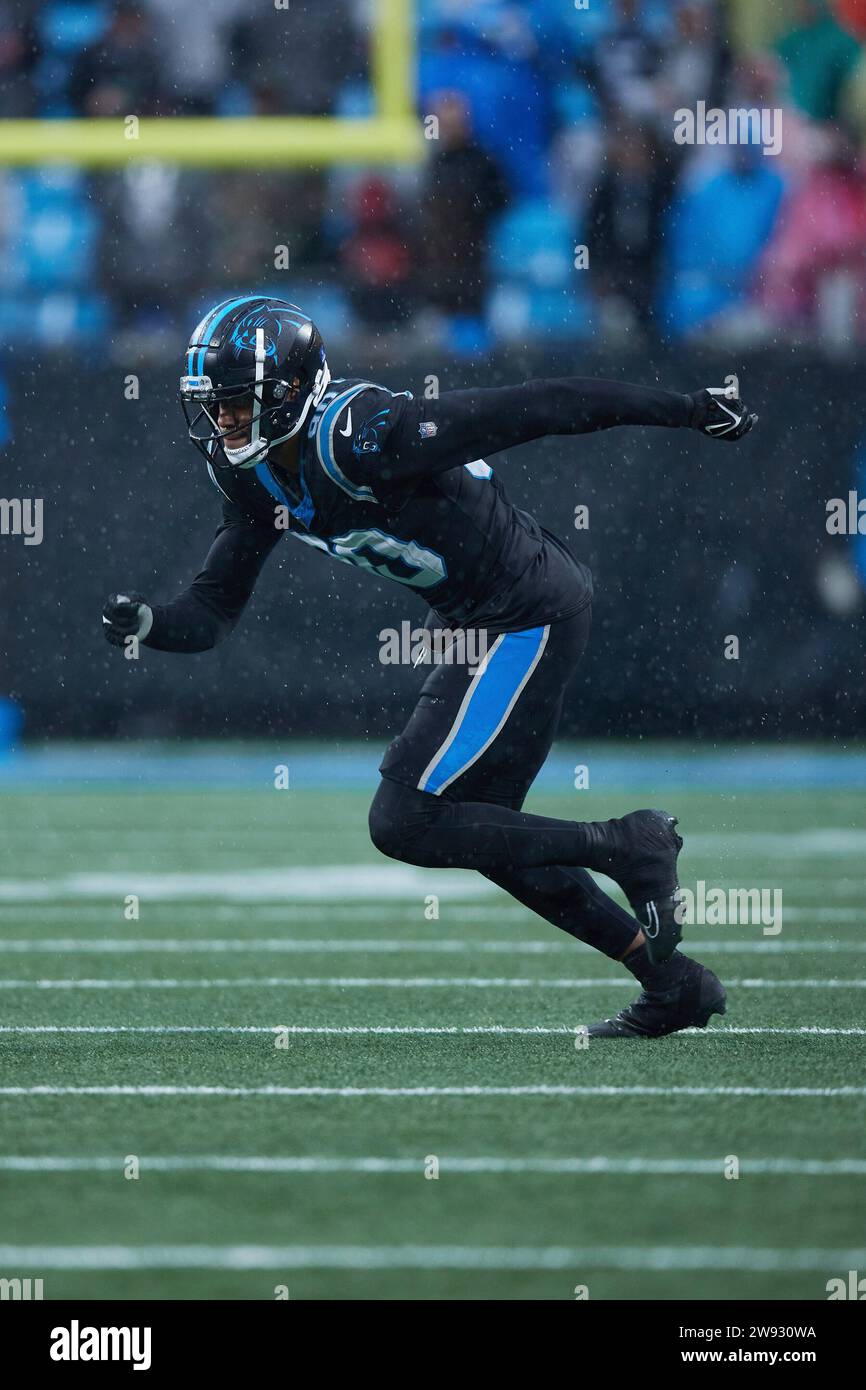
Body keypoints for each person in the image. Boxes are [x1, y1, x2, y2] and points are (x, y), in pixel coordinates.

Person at [103, 295, 757, 1038]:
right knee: (481, 831)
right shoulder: (254, 476)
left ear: (290, 391)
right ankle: (671, 983)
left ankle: (629, 844)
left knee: (407, 819)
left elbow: (546, 403)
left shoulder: (367, 435)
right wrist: (149, 624)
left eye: (235, 403)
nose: (222, 423)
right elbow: (213, 612)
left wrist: (681, 408)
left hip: (526, 611)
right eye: (212, 406)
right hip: (472, 623)